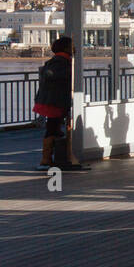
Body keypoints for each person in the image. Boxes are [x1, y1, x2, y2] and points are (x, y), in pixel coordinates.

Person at [32, 36, 84, 170]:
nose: (75, 48)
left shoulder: (58, 61)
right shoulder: (61, 62)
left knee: (55, 128)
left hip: (51, 101)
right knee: (53, 128)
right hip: (53, 102)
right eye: (72, 46)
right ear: (66, 48)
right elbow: (51, 74)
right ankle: (46, 160)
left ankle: (54, 157)